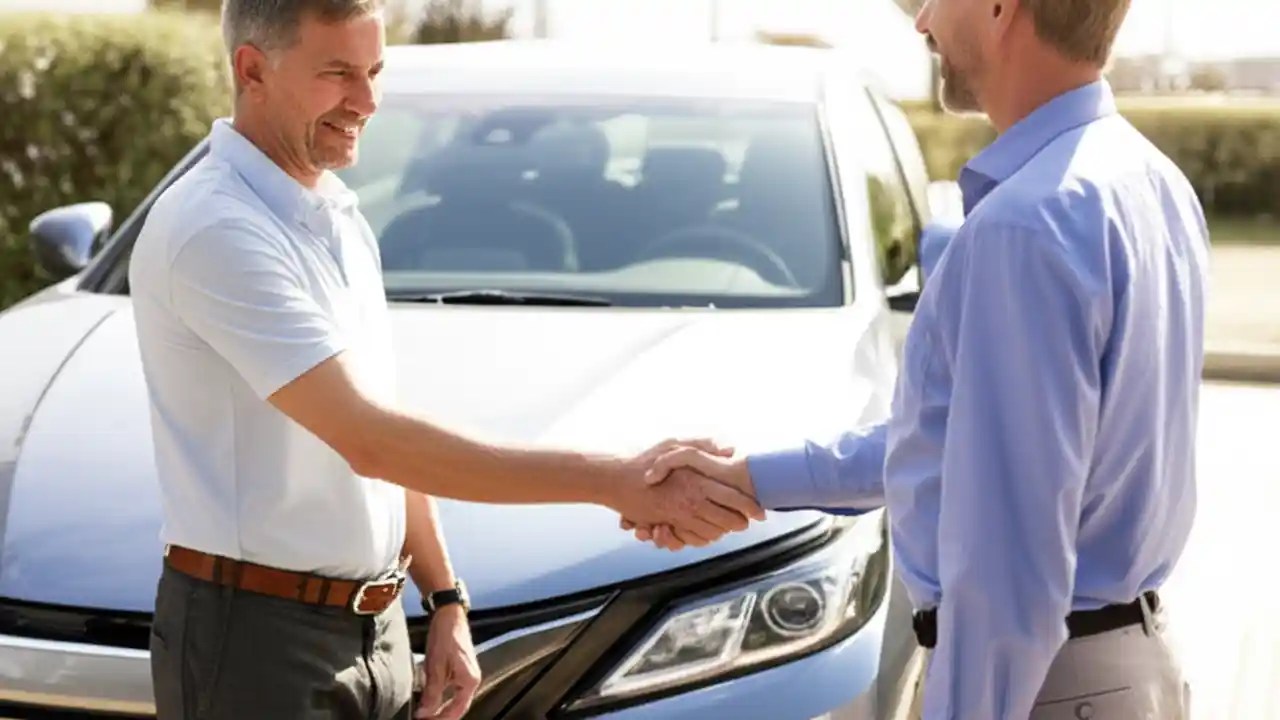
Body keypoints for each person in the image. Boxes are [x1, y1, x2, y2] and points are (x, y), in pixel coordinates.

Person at [127, 2, 763, 719]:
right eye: (339, 73)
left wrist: (445, 600)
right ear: (252, 70)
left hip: (377, 632)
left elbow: (388, 434)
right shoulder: (213, 228)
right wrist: (614, 481)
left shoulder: (335, 215)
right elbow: (369, 438)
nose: (367, 102)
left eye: (374, 72)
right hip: (255, 647)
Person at [624, 0, 1208, 717]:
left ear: (999, 8)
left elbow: (1007, 577)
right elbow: (946, 443)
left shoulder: (1025, 226)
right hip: (1118, 672)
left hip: (1043, 689)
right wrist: (748, 480)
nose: (921, 24)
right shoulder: (1150, 180)